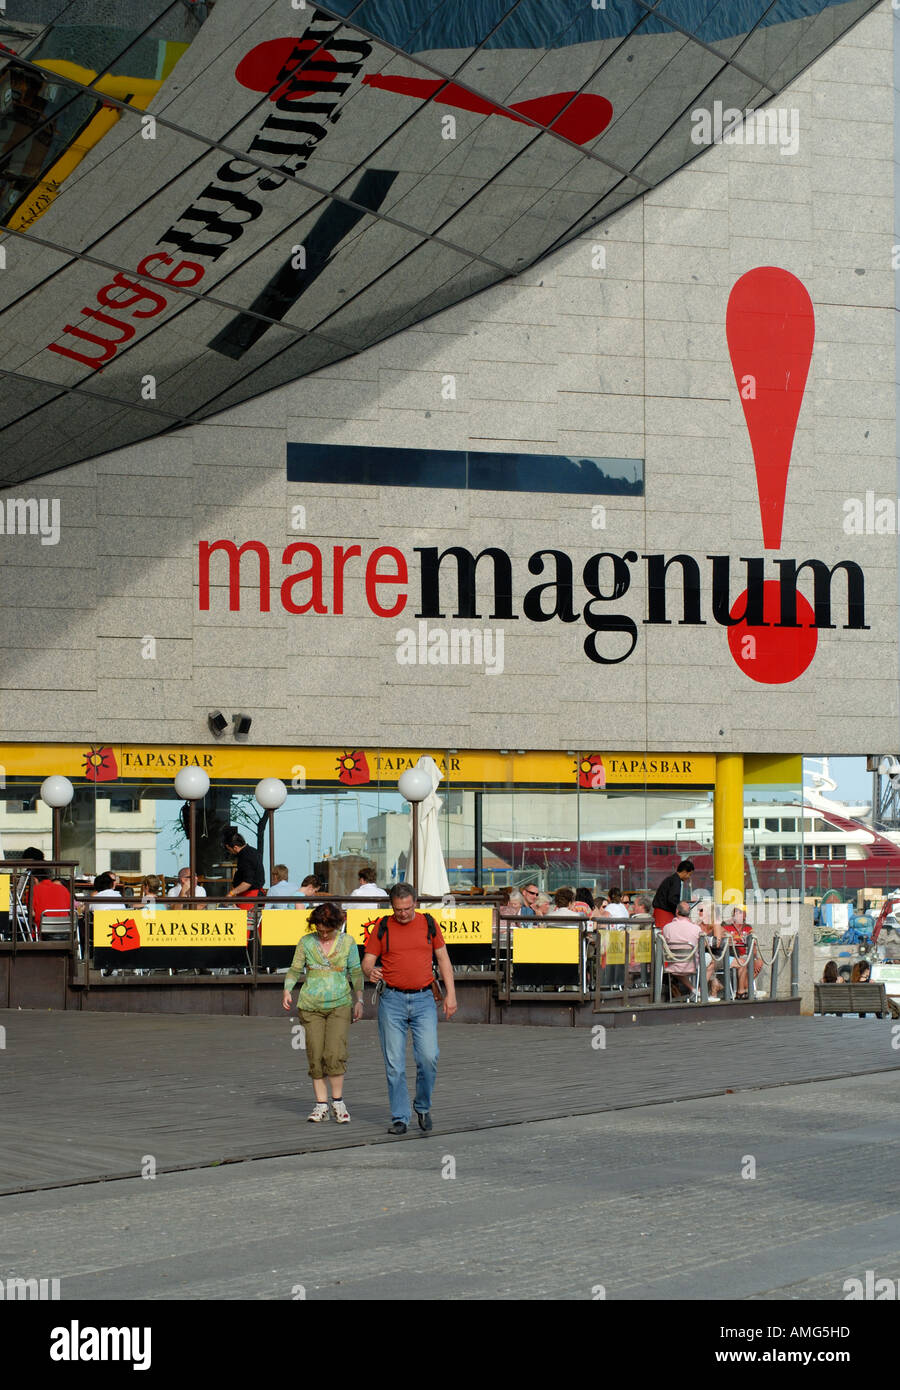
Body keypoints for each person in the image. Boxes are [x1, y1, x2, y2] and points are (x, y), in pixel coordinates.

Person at [361, 883, 457, 1135]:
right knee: (394, 1062)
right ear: (391, 906)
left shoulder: (428, 923)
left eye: (407, 908)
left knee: (429, 1056)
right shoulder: (382, 926)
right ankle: (400, 1117)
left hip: (424, 998)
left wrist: (451, 995)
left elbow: (443, 959)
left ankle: (423, 1107)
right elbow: (367, 960)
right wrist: (370, 970)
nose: (402, 913)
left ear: (415, 902)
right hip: (391, 999)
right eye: (397, 909)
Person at [282, 901, 363, 1122]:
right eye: (319, 929)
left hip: (340, 1003)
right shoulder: (306, 942)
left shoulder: (348, 942)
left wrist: (360, 1000)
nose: (323, 934)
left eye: (327, 929)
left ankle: (338, 1101)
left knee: (334, 1053)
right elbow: (295, 969)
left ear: (337, 925)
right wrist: (287, 990)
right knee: (315, 1055)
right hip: (310, 1005)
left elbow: (356, 971)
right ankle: (320, 1105)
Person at [663, 901, 722, 1001]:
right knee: (709, 960)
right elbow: (703, 944)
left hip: (671, 964)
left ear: (677, 911)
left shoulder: (666, 928)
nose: (699, 912)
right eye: (698, 910)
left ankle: (696, 990)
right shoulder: (695, 928)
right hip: (692, 963)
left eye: (701, 910)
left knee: (707, 959)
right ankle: (700, 991)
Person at [223, 827, 265, 909]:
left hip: (249, 896)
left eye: (229, 850)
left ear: (235, 847)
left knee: (246, 920)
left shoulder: (245, 857)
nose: (230, 852)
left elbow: (247, 882)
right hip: (252, 894)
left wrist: (231, 894)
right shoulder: (253, 851)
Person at [652, 859, 694, 929]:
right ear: (684, 872)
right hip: (665, 913)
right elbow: (672, 899)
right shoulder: (676, 881)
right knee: (665, 933)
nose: (689, 877)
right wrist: (680, 909)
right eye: (689, 874)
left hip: (659, 911)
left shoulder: (671, 879)